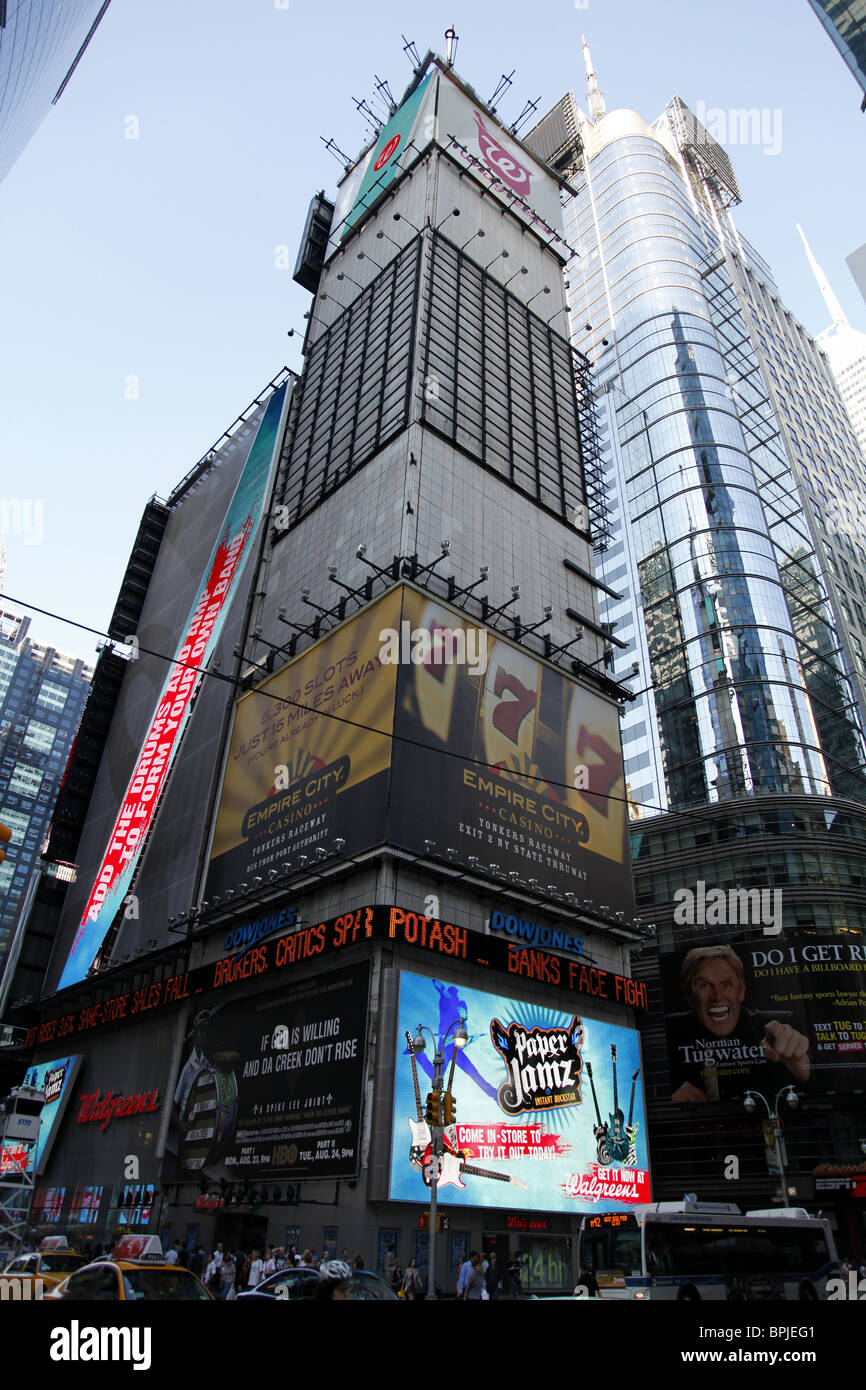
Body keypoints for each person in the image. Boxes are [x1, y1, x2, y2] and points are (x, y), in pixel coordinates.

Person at [668, 946, 811, 1103]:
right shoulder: (671, 1031)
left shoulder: (777, 1027)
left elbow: (824, 1084)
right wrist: (672, 1097)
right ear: (689, 996)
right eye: (705, 985)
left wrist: (800, 1065)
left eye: (726, 984)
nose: (717, 996)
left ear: (741, 990)